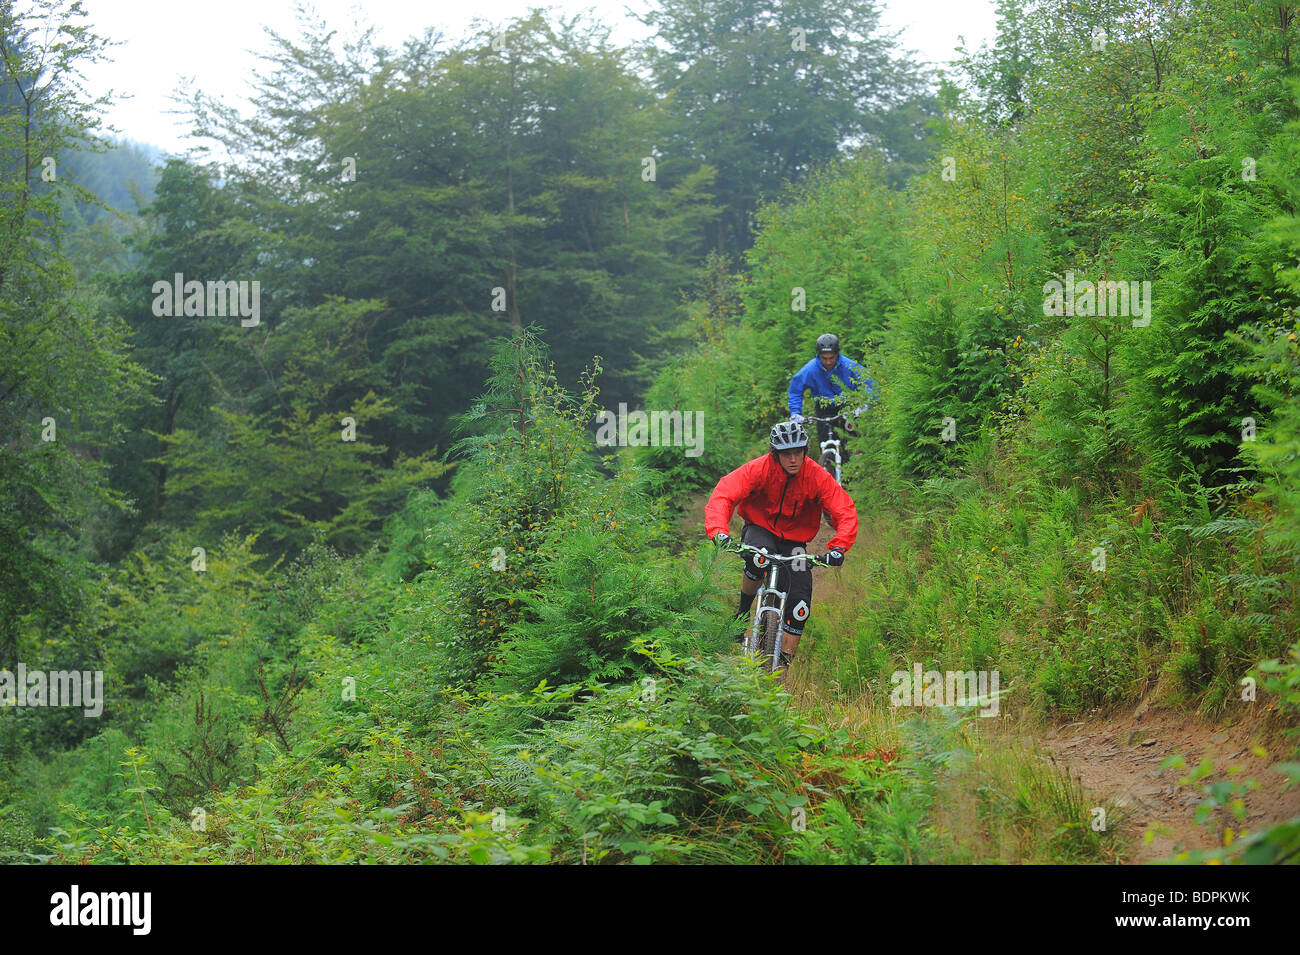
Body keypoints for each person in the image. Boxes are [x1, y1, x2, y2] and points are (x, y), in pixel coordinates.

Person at [704, 420, 859, 676]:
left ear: (806, 451)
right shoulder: (758, 469)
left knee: (800, 604)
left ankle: (782, 670)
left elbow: (844, 508)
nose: (793, 459)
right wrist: (719, 532)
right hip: (760, 527)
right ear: (775, 454)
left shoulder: (816, 475)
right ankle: (743, 612)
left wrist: (839, 547)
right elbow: (724, 494)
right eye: (786, 454)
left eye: (798, 452)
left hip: (795, 543)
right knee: (759, 558)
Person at [788, 333, 875, 461]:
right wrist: (795, 413)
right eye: (824, 358)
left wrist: (865, 405)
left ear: (837, 354)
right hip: (823, 410)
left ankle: (856, 468)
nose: (828, 362)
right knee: (826, 444)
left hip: (848, 407)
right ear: (819, 355)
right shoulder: (810, 369)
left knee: (852, 443)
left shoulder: (848, 365)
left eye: (831, 358)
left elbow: (870, 383)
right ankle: (828, 466)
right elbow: (795, 390)